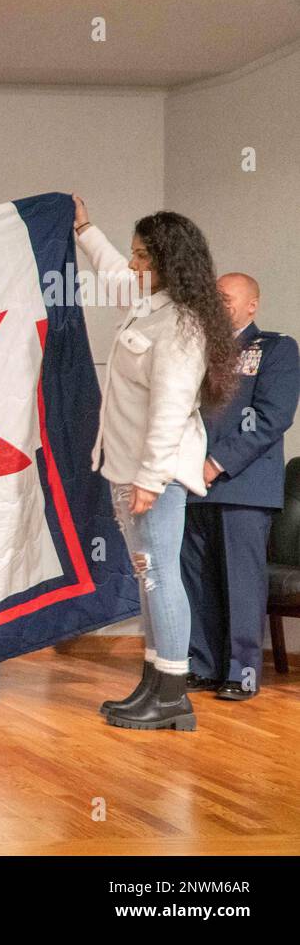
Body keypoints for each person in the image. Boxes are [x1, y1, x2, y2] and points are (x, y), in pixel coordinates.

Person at [73, 197, 239, 731]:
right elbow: (116, 277)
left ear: (169, 262)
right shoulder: (151, 304)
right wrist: (85, 229)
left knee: (161, 575)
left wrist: (149, 479)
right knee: (150, 578)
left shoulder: (182, 326)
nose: (135, 266)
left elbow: (169, 411)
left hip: (155, 475)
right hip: (128, 468)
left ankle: (172, 694)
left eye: (144, 257)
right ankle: (153, 681)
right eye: (134, 255)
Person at [182, 273, 300, 700]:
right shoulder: (195, 350)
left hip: (242, 485)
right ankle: (204, 666)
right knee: (196, 580)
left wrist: (215, 463)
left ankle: (242, 673)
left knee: (241, 583)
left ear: (252, 304)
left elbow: (272, 417)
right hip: (191, 484)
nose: (217, 303)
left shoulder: (275, 348)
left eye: (227, 297)